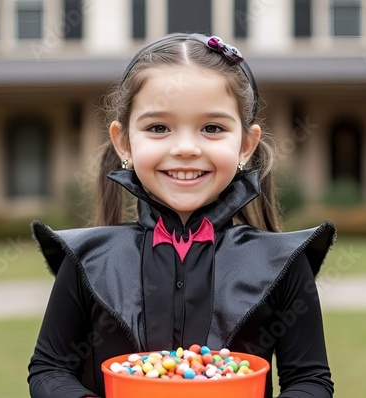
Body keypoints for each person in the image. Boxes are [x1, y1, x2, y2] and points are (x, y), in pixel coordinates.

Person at [28, 33, 335, 398]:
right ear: (124, 141)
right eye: (158, 128)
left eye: (212, 128)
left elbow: (310, 381)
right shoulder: (88, 260)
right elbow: (49, 369)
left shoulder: (282, 263)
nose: (186, 148)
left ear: (246, 145)